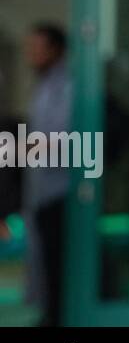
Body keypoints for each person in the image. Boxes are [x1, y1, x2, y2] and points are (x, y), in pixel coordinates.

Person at [22, 23, 71, 327]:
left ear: (56, 50)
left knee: (58, 266)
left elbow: (65, 142)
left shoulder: (68, 87)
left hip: (61, 191)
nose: (32, 55)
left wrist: (22, 146)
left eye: (38, 48)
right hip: (43, 190)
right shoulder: (44, 86)